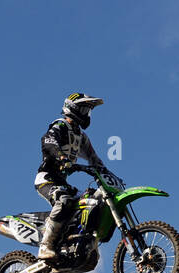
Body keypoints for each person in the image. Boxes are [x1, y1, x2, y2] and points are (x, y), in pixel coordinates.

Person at [34, 93, 118, 262]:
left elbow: (94, 159)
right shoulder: (60, 126)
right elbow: (48, 142)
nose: (87, 114)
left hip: (63, 183)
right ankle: (46, 244)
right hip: (47, 179)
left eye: (88, 110)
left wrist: (107, 173)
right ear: (72, 108)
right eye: (84, 109)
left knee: (94, 201)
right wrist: (61, 157)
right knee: (64, 201)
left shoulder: (81, 137)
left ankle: (82, 243)